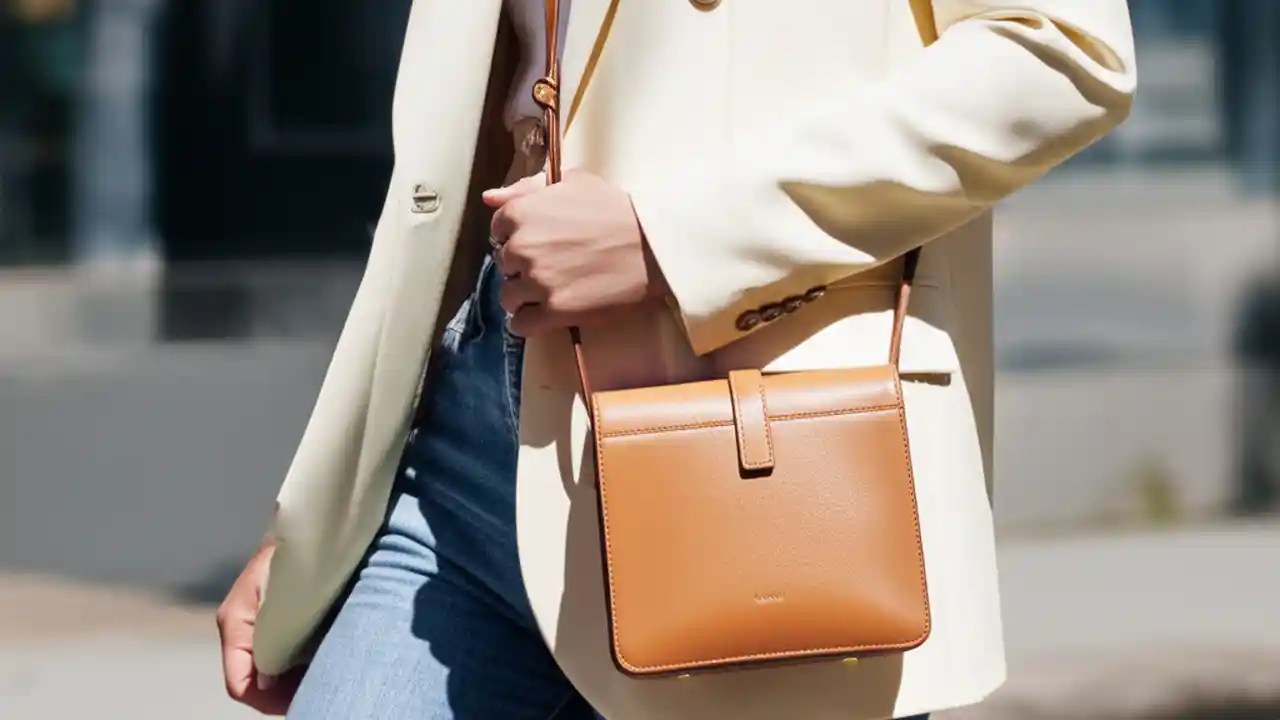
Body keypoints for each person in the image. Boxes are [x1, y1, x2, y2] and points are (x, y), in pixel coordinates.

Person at [216, 0, 1136, 717]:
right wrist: (330, 517)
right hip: (471, 453)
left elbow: (1062, 51)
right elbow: (456, 161)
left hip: (754, 458)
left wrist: (674, 240)